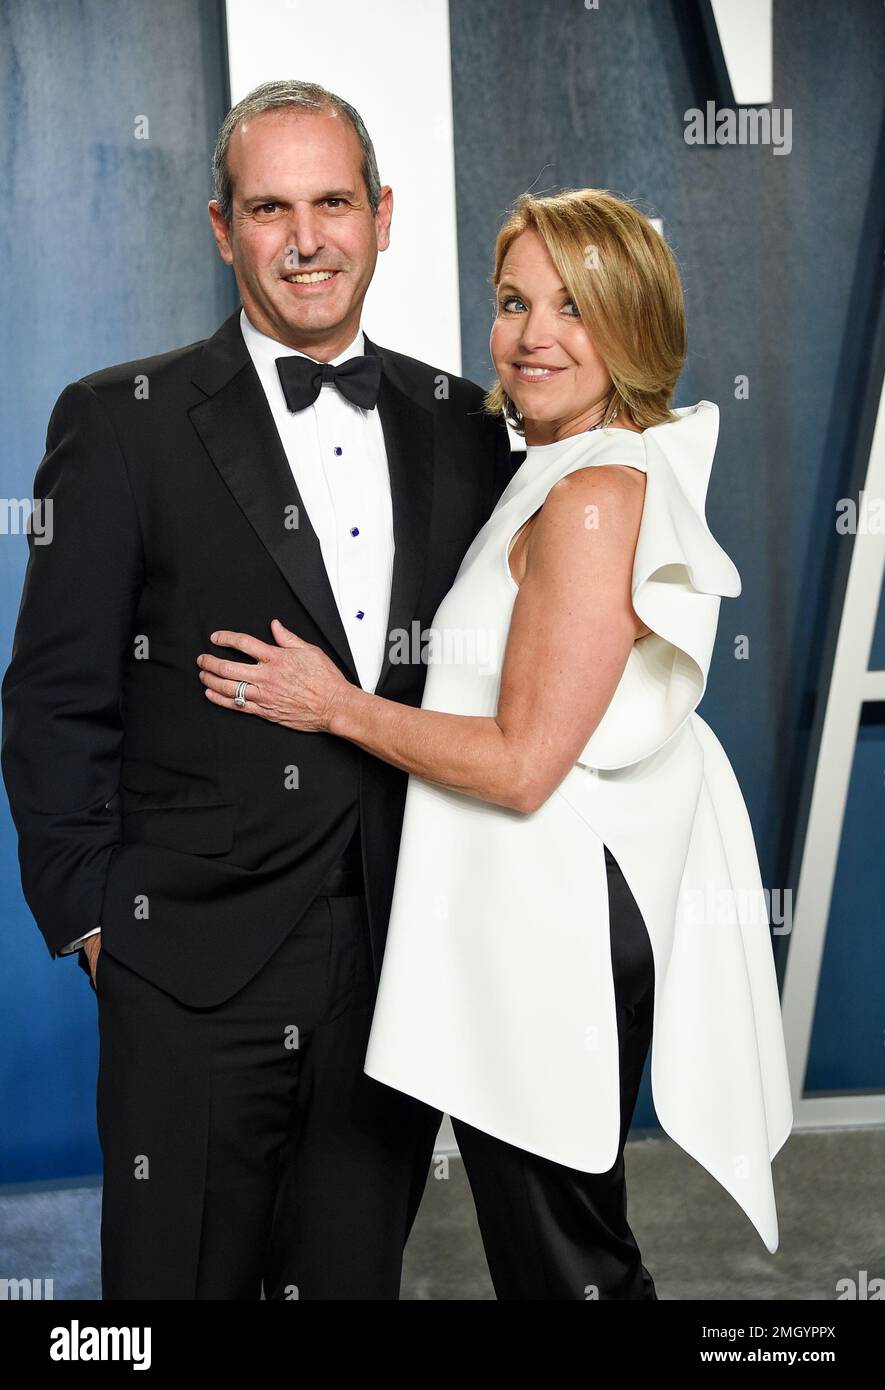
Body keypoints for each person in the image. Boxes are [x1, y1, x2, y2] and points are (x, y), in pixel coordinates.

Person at [196, 187, 794, 1301]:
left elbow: (524, 763)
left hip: (555, 926)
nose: (531, 336)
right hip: (535, 916)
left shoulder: (594, 494)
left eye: (573, 307)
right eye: (514, 301)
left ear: (633, 322)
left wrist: (333, 706)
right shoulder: (567, 470)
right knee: (553, 1254)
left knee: (568, 1263)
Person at [0, 78, 518, 1299]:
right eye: (270, 206)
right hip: (184, 963)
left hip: (399, 957)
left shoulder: (466, 425)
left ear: (382, 214)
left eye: (332, 201)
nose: (305, 238)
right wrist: (96, 927)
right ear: (222, 227)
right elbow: (52, 695)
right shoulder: (119, 421)